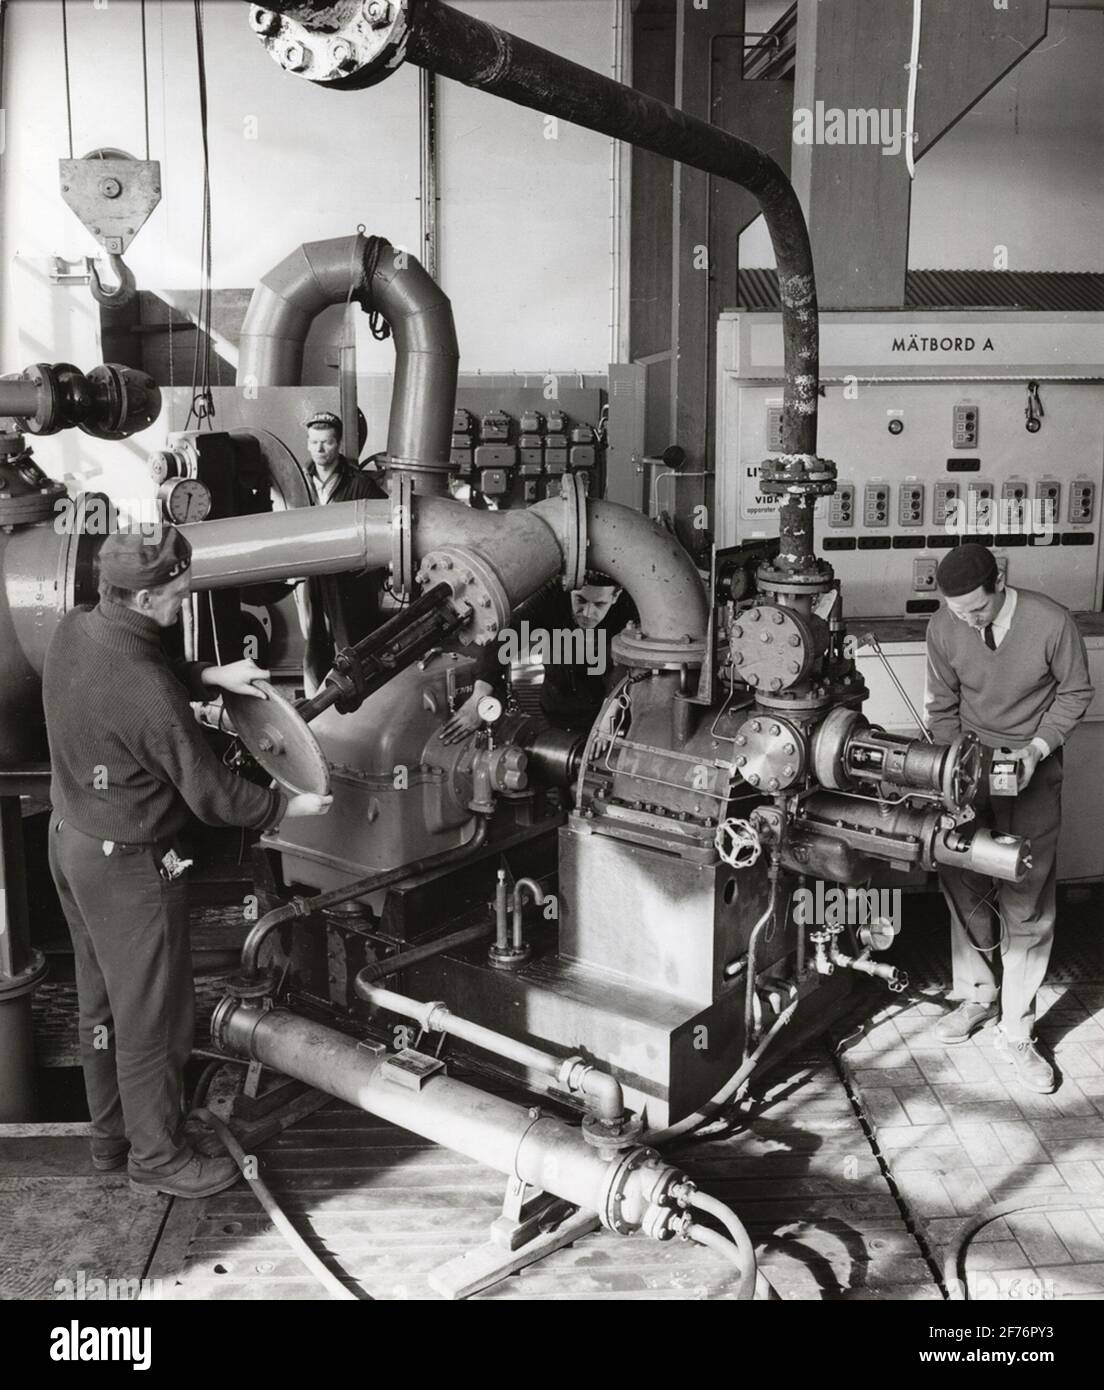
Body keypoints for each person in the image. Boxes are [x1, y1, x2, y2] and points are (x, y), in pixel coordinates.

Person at [43, 526, 332, 1198]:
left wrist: (211, 675)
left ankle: (113, 1137)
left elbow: (134, 661)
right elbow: (213, 795)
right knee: (154, 1018)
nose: (185, 599)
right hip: (129, 865)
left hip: (72, 840)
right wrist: (287, 805)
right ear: (146, 598)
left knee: (102, 1005)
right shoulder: (148, 694)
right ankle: (158, 1157)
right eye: (178, 593)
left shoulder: (73, 630)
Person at [924, 543, 1092, 1092]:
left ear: (999, 582)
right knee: (962, 879)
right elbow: (942, 707)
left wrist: (1036, 750)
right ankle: (978, 995)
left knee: (1026, 893)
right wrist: (956, 769)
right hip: (969, 769)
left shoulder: (1051, 621)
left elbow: (1076, 692)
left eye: (977, 608)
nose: (969, 621)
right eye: (958, 612)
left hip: (1032, 767)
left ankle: (1017, 1029)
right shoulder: (944, 626)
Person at [299, 411, 388, 692]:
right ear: (308, 443)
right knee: (315, 639)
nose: (319, 449)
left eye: (326, 442)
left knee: (353, 640)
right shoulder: (300, 482)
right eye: (314, 442)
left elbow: (385, 525)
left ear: (338, 444)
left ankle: (361, 695)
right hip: (312, 573)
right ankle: (315, 699)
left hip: (350, 578)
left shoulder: (359, 484)